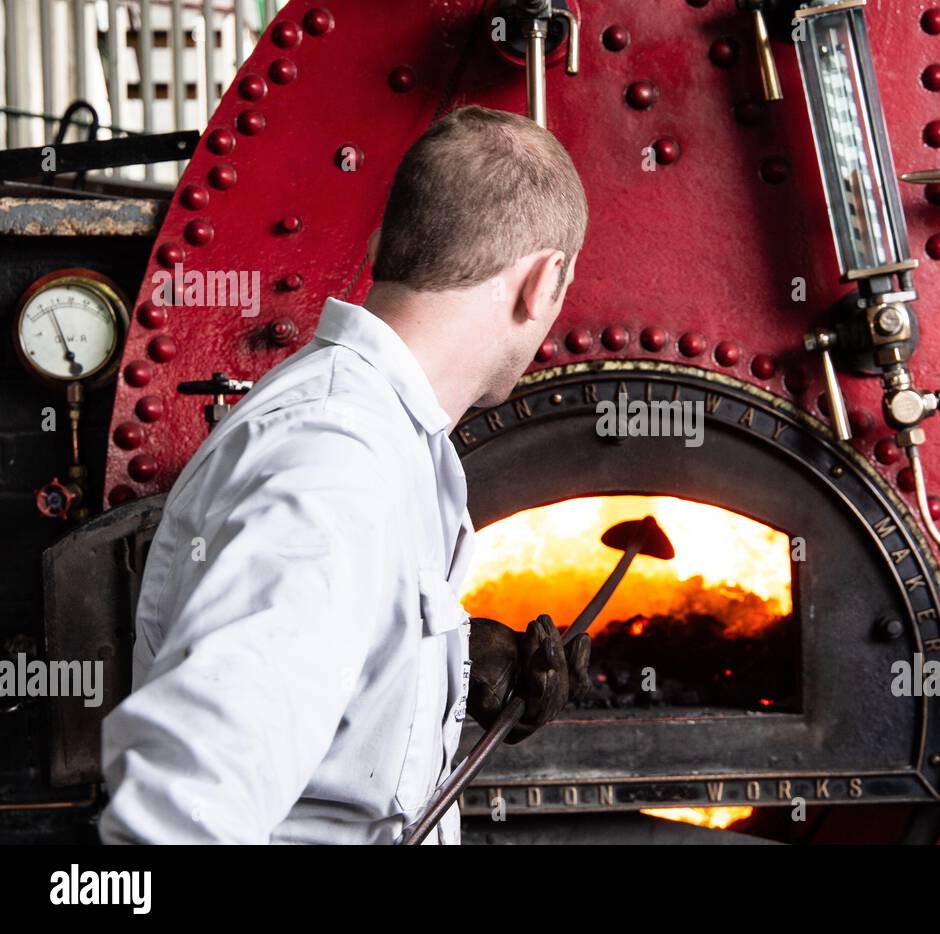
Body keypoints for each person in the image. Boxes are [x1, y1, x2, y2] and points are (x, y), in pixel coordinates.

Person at [99, 105, 591, 844]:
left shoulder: (388, 437)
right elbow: (178, 816)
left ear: (380, 242)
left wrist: (448, 668)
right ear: (542, 284)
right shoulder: (334, 462)